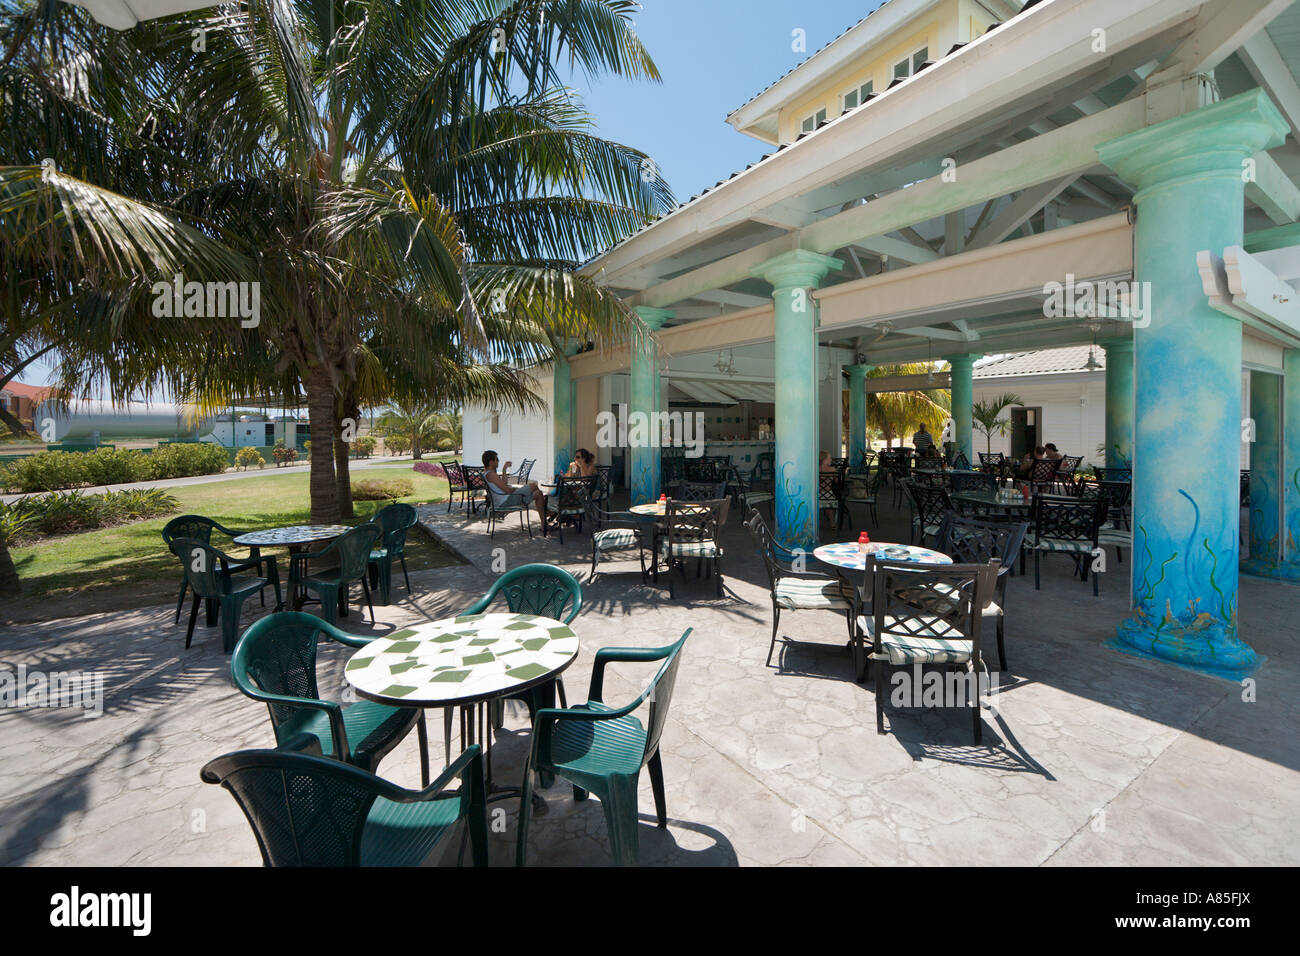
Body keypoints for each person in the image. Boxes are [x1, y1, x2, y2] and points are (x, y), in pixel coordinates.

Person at [482, 450, 547, 527]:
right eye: (497, 459)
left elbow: (504, 485)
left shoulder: (487, 473)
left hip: (504, 500)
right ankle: (547, 512)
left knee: (539, 493)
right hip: (505, 501)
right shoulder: (491, 475)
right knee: (533, 485)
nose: (498, 461)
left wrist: (504, 469)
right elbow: (507, 490)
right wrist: (516, 489)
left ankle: (544, 524)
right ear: (491, 462)